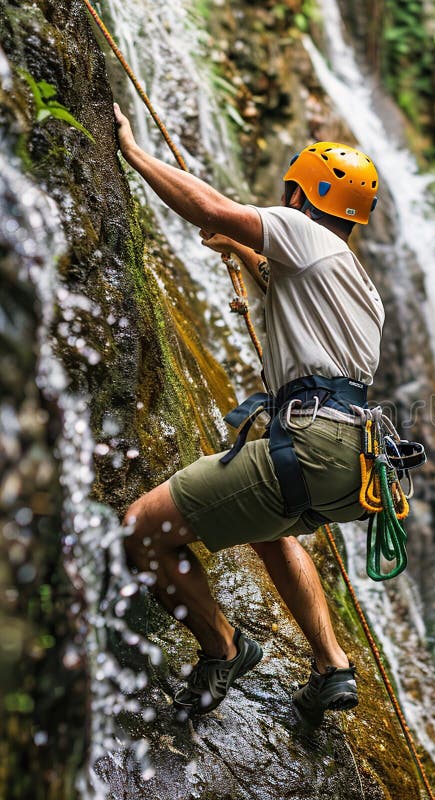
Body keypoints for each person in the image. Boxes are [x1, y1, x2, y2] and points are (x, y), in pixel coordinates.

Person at [113, 103, 385, 725]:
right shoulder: (356, 281)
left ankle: (223, 650)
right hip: (355, 463)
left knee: (140, 530)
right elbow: (274, 274)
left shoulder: (302, 232)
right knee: (268, 526)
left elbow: (212, 206)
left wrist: (136, 154)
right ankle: (332, 663)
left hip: (312, 442)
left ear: (299, 194)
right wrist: (239, 251)